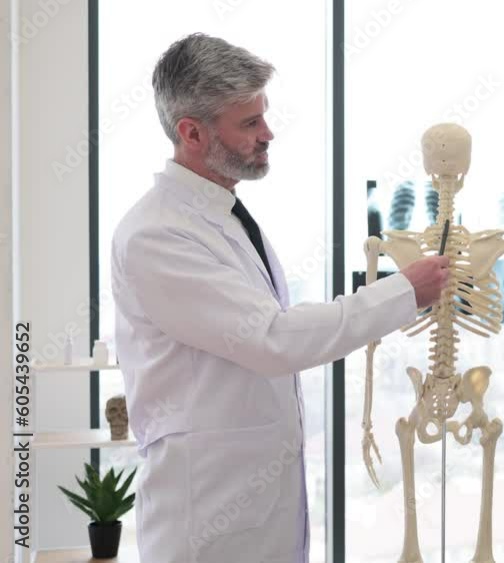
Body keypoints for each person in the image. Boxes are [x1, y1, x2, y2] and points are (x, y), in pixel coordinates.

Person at [111, 34, 450, 563]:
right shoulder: (156, 235)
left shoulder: (223, 217)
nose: (268, 134)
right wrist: (405, 291)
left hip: (255, 505)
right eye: (249, 123)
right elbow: (272, 339)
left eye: (263, 116)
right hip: (206, 517)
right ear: (191, 132)